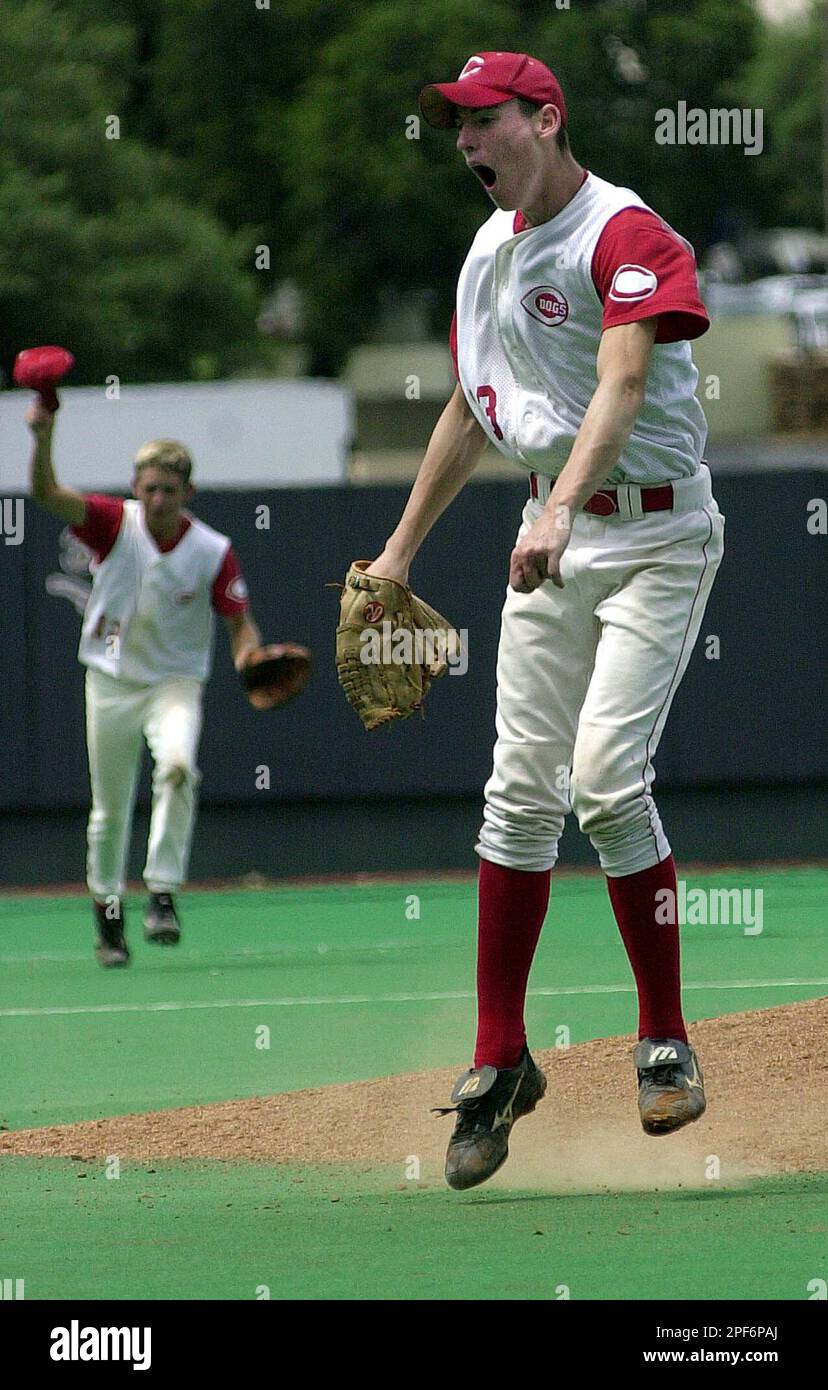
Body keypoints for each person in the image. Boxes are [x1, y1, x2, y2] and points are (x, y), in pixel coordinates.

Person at [368, 52, 725, 1189]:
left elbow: (623, 383)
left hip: (655, 537)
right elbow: (472, 417)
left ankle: (663, 1035)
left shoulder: (626, 234)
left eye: (486, 119)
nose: (467, 140)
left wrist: (562, 506)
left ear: (546, 117)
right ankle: (498, 1059)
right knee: (520, 794)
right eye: (456, 124)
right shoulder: (488, 253)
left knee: (609, 778)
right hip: (552, 540)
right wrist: (398, 552)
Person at [27, 407, 263, 967]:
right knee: (109, 809)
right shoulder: (112, 522)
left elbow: (238, 622)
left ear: (189, 491)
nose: (159, 500)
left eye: (170, 490)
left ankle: (161, 893)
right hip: (110, 681)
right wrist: (43, 435)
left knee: (178, 766)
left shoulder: (211, 549)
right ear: (136, 488)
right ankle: (108, 917)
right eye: (150, 488)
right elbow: (45, 493)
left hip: (175, 684)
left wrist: (252, 657)